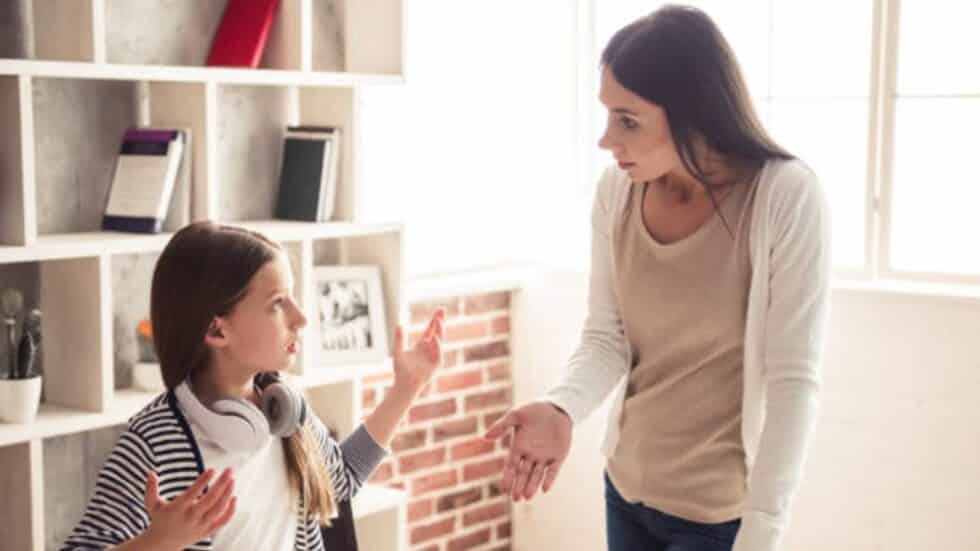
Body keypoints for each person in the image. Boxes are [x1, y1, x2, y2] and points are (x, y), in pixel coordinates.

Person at [484, 5, 831, 551]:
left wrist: (761, 533)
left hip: (719, 519)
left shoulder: (784, 196)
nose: (606, 140)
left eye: (628, 120)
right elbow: (607, 337)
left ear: (692, 112)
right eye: (607, 116)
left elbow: (793, 383)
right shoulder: (617, 193)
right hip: (626, 492)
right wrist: (561, 407)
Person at [61, 221, 446, 551]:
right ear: (216, 329)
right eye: (278, 303)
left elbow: (340, 481)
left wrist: (406, 388)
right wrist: (154, 542)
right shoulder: (154, 441)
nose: (302, 317)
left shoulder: (283, 410)